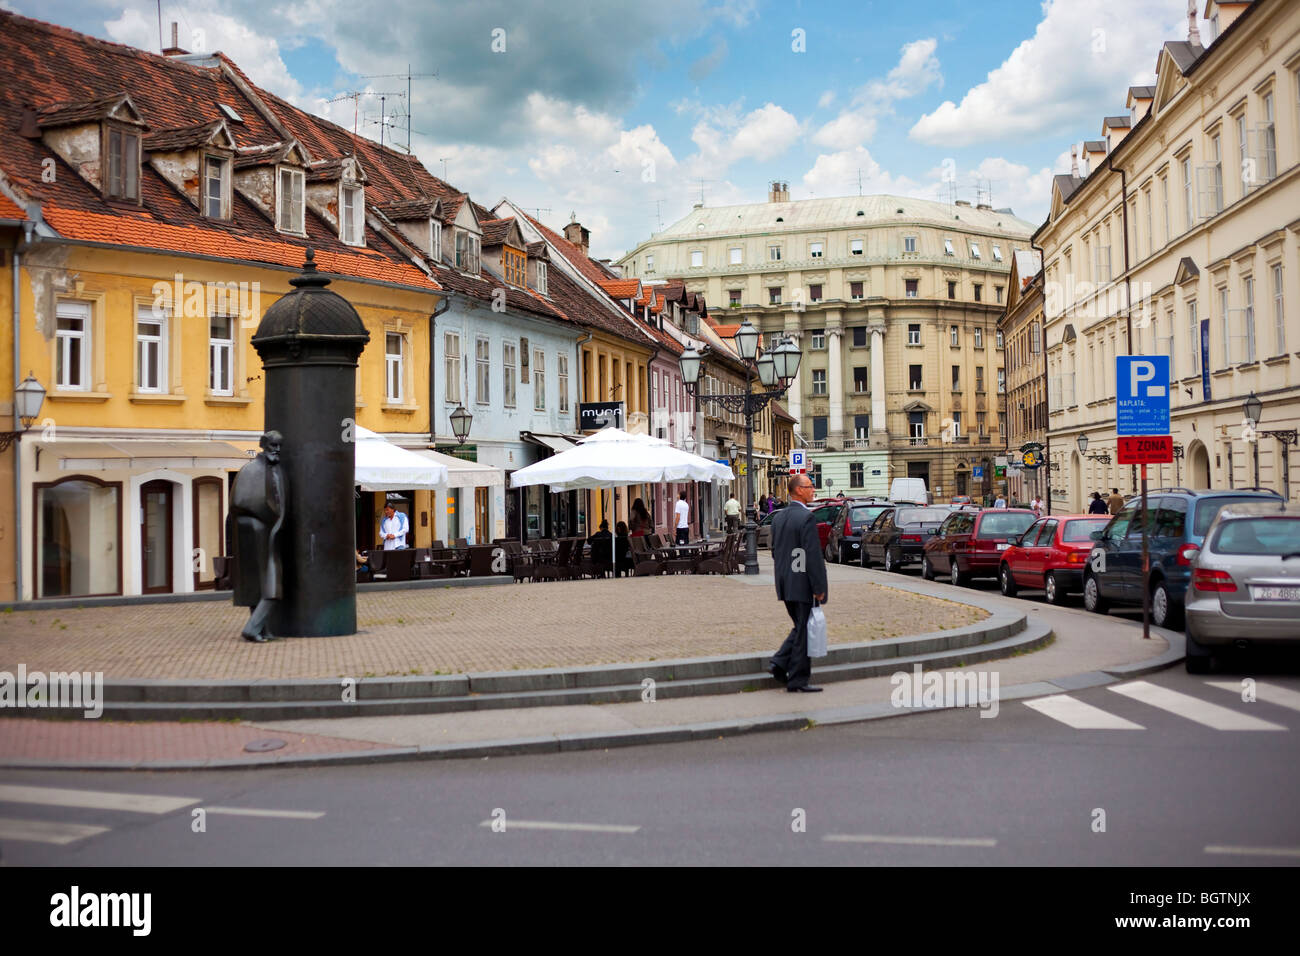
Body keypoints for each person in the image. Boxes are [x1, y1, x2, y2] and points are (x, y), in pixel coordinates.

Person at [769, 473, 827, 693]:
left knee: (800, 626)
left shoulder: (779, 517)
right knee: (804, 631)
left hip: (784, 581)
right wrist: (819, 587)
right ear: (799, 490)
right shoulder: (806, 518)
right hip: (802, 582)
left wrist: (787, 572)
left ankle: (779, 663)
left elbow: (776, 552)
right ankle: (797, 679)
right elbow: (811, 555)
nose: (814, 490)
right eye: (810, 486)